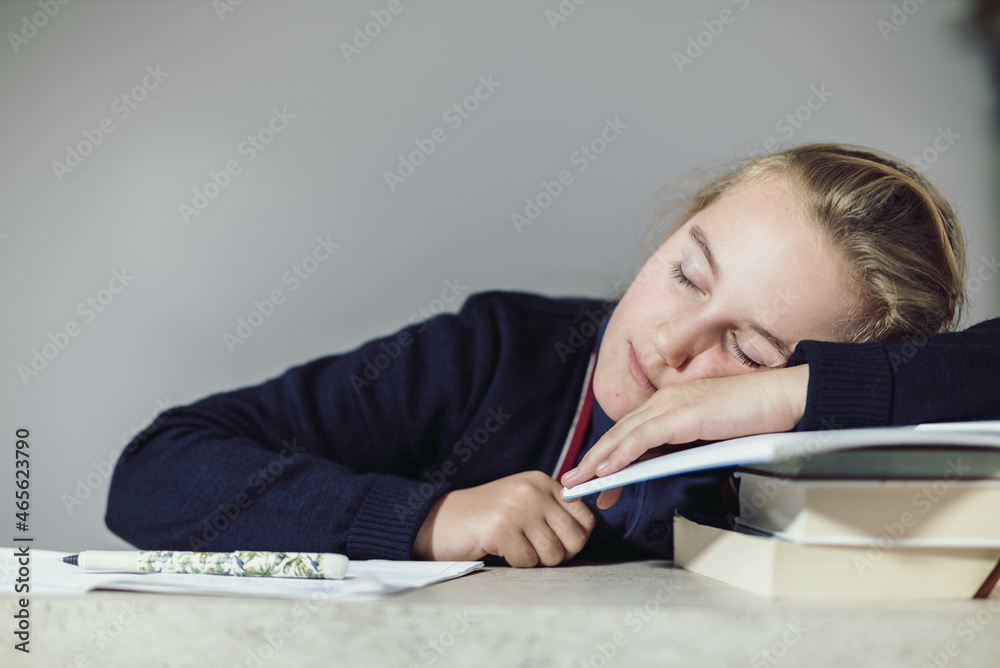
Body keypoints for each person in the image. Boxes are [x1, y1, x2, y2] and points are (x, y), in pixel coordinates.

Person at [104, 143, 1000, 568]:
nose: (672, 342)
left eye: (747, 347)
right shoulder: (494, 355)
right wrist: (427, 518)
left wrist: (798, 400)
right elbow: (154, 473)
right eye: (687, 275)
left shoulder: (842, 473)